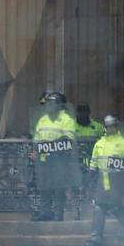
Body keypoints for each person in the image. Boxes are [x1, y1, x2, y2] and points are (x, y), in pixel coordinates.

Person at [84, 115, 124, 246]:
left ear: (117, 127)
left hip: (118, 179)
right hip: (103, 178)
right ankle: (96, 237)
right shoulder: (99, 143)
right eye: (108, 127)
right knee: (99, 207)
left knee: (115, 206)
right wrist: (89, 178)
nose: (110, 129)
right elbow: (94, 162)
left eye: (112, 126)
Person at [31, 92, 76, 222]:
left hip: (59, 158)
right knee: (44, 185)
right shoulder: (43, 119)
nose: (48, 106)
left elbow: (68, 139)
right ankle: (46, 212)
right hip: (44, 158)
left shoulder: (66, 119)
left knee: (58, 186)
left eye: (51, 103)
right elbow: (37, 138)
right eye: (48, 103)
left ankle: (58, 213)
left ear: (59, 105)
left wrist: (50, 145)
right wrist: (35, 150)